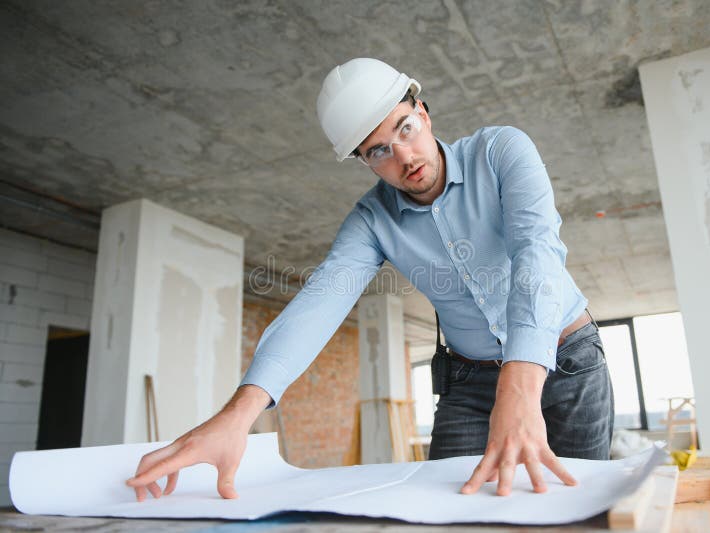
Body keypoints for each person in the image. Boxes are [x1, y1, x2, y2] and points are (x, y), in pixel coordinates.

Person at [127, 58, 614, 501]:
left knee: (577, 508)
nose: (404, 157)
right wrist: (238, 415)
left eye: (406, 128)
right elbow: (320, 303)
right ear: (363, 160)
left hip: (568, 361)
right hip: (470, 382)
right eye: (379, 150)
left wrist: (520, 385)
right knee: (452, 510)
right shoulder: (371, 220)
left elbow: (538, 253)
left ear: (423, 113)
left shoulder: (501, 150)